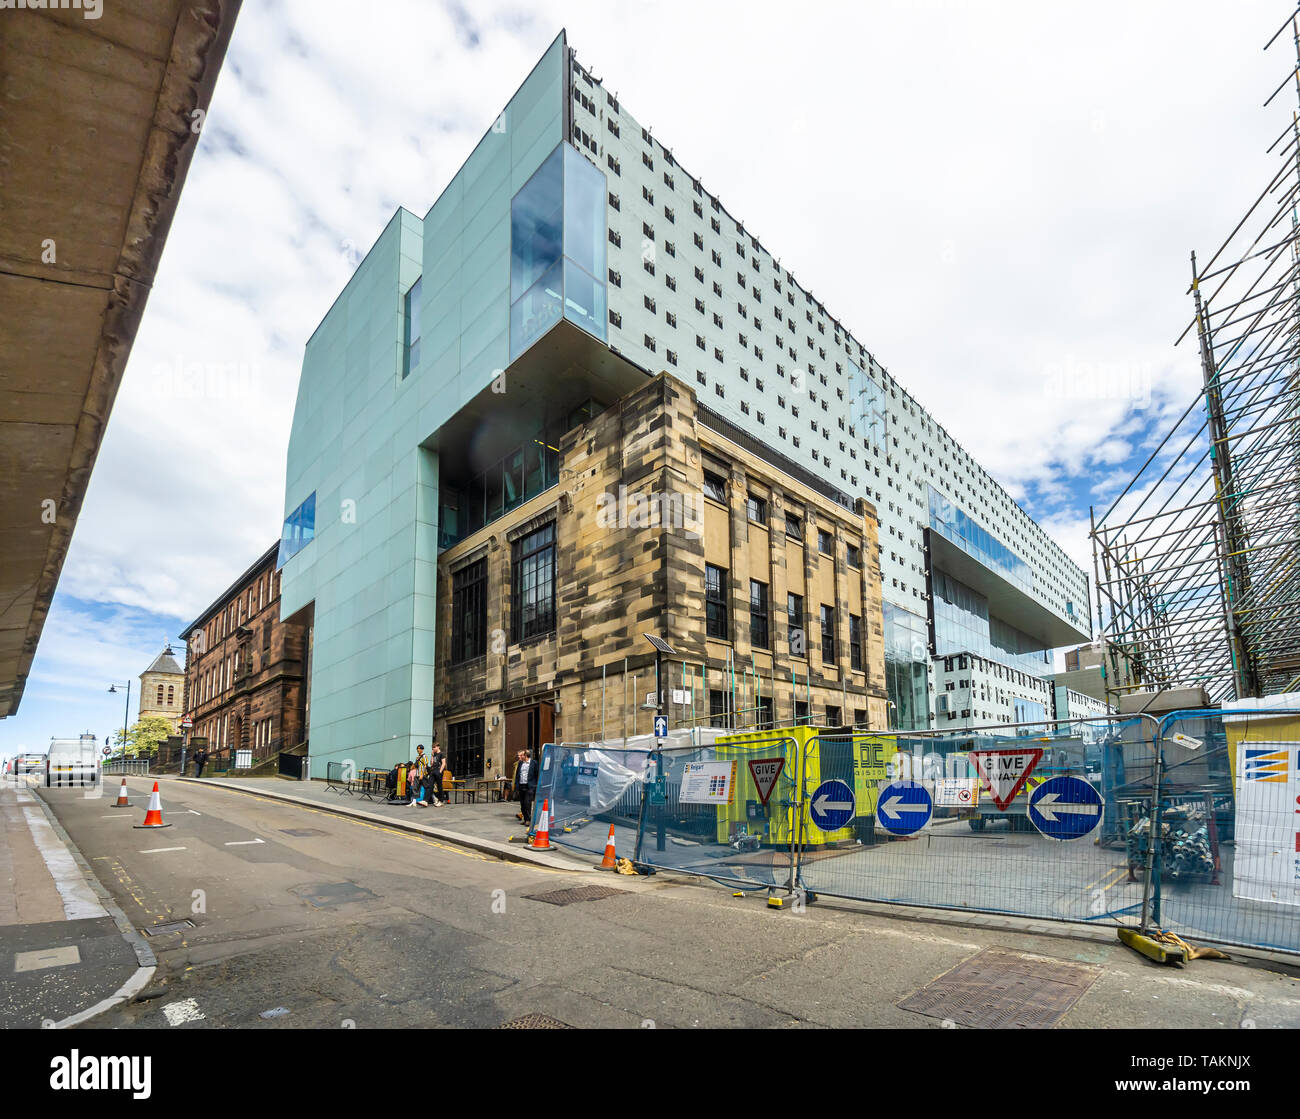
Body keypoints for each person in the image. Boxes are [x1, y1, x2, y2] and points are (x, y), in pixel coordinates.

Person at [513, 749, 531, 824]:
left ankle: (528, 820)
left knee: (527, 803)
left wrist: (534, 785)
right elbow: (517, 775)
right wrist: (516, 786)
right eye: (519, 755)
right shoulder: (519, 764)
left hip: (529, 786)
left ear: (525, 755)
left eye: (521, 755)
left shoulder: (533, 763)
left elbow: (536, 774)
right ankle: (525, 819)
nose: (519, 757)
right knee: (522, 804)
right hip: (521, 785)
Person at [429, 741, 449, 806]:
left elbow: (444, 763)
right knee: (431, 785)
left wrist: (440, 771)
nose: (433, 749)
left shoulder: (441, 754)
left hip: (438, 771)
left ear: (438, 747)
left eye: (434, 747)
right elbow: (431, 763)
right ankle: (436, 799)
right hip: (433, 771)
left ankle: (441, 801)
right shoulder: (434, 755)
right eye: (432, 748)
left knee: (439, 786)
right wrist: (432, 756)